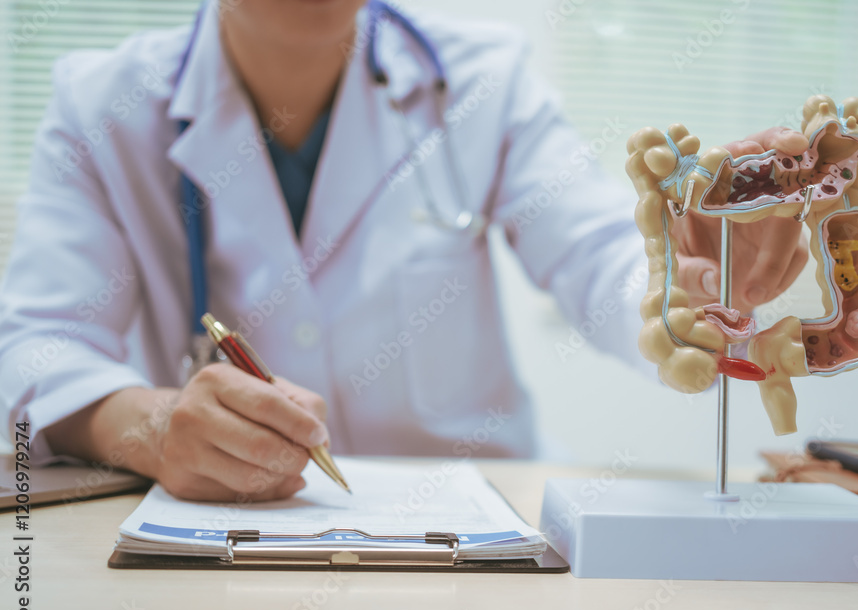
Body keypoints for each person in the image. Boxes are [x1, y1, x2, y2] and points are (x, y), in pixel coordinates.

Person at [0, 0, 808, 502]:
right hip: (232, 544)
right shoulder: (102, 106)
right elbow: (36, 346)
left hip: (487, 536)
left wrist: (683, 284)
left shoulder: (484, 80)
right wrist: (151, 422)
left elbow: (601, 254)